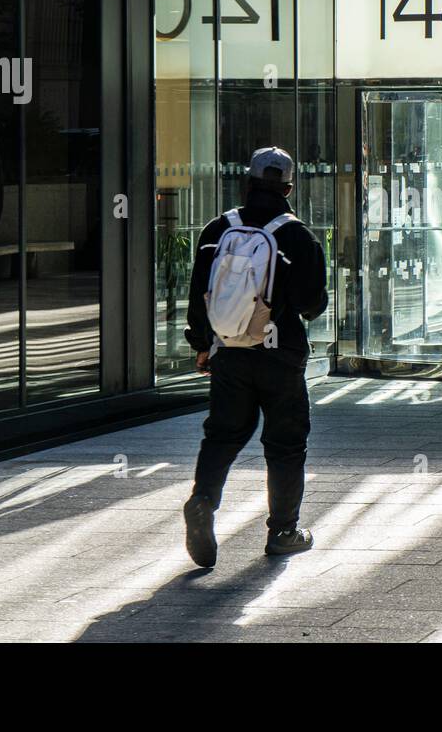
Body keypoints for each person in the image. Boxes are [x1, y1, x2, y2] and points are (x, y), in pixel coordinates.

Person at [181, 146, 328, 568]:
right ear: (288, 186)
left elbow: (199, 292)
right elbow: (310, 302)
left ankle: (203, 500)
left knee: (223, 433)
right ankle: (283, 531)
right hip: (280, 354)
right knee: (285, 442)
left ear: (247, 181)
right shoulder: (297, 235)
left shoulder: (217, 229)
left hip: (229, 351)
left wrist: (202, 343)